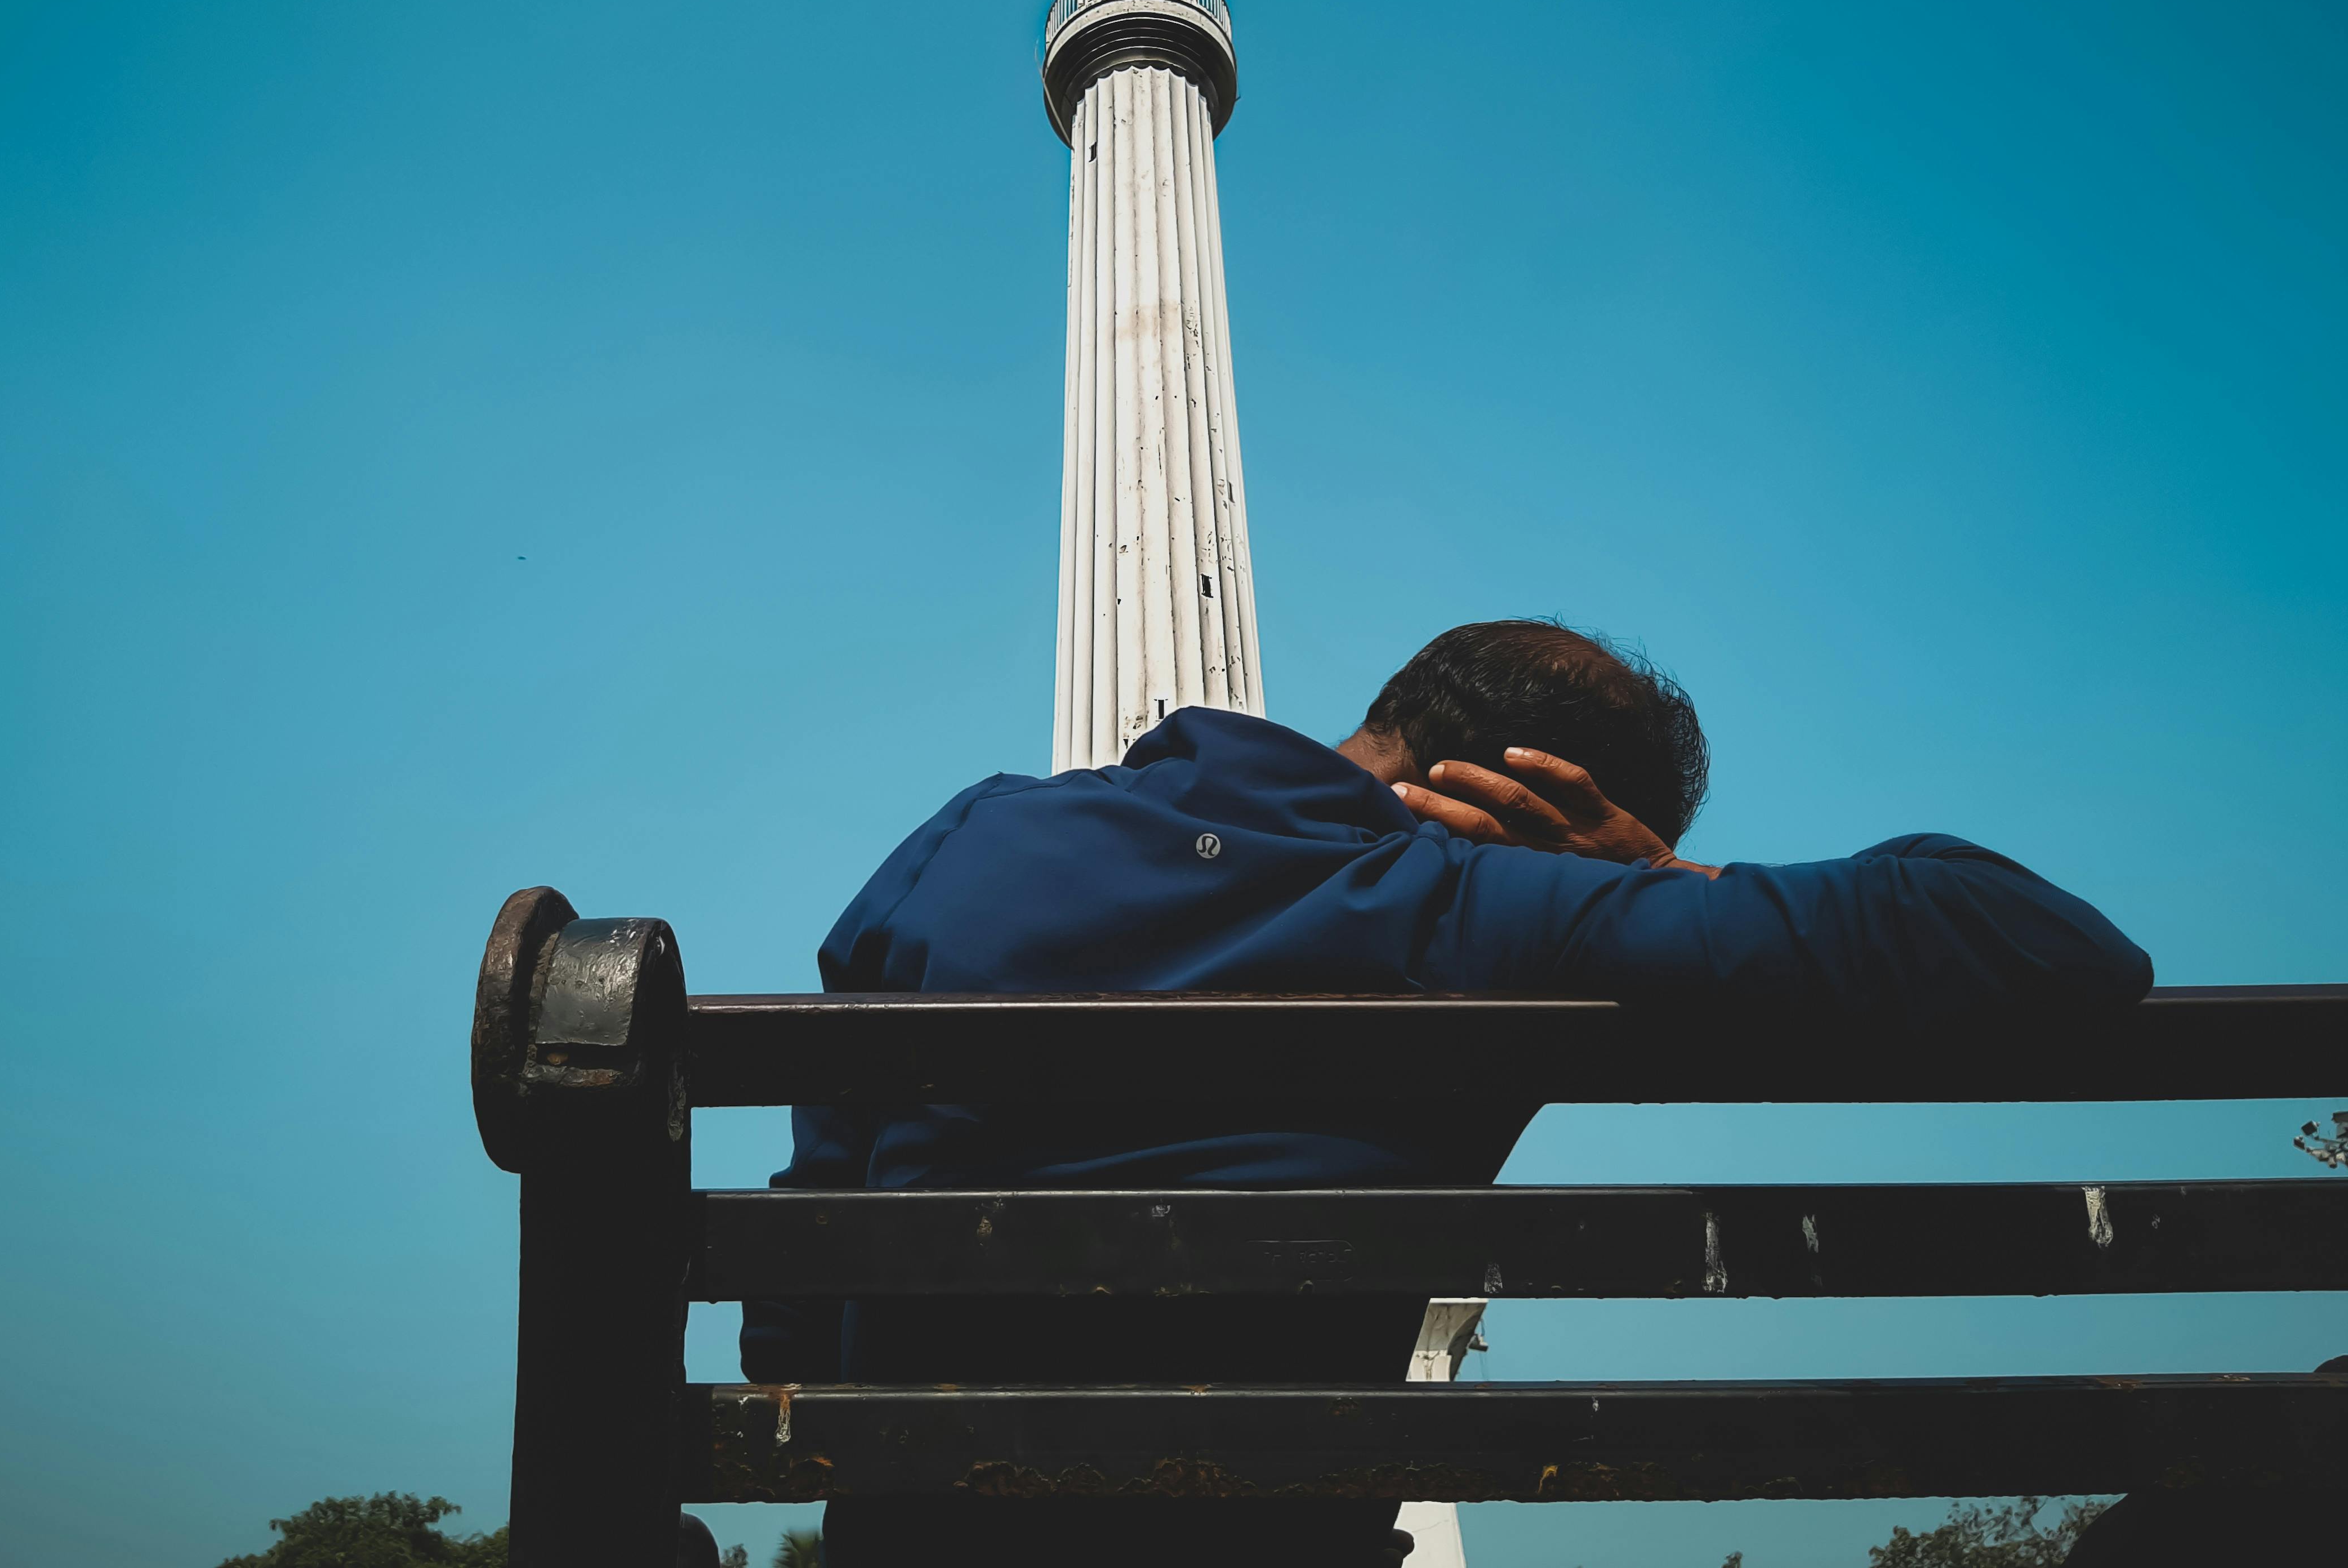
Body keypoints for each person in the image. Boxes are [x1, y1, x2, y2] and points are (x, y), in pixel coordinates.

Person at [741, 620, 2153, 1568]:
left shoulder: (974, 833)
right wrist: (1651, 880)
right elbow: (2054, 947)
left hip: (914, 1530)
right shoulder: (1496, 915)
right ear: (1529, 793)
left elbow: (789, 1307)